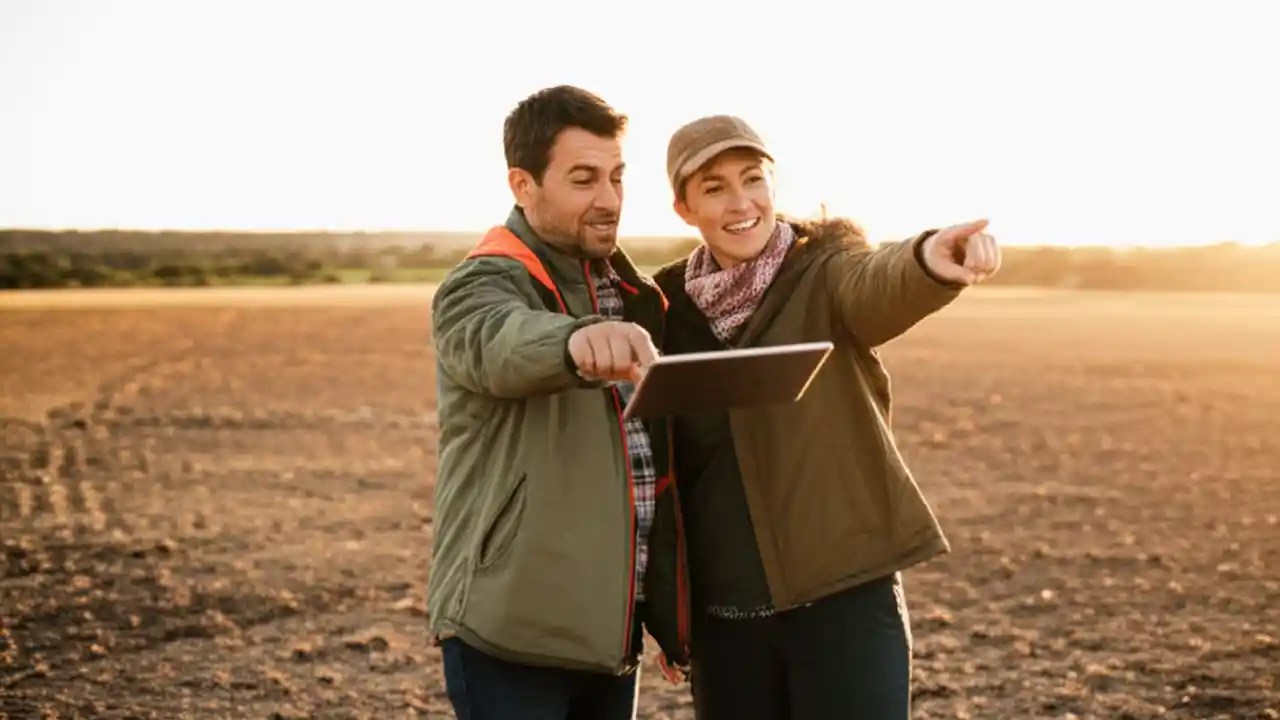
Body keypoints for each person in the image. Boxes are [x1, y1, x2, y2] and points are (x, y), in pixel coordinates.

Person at [653, 114, 1001, 719]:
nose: (741, 203)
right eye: (714, 188)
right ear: (685, 208)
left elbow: (877, 285)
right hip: (727, 621)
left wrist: (927, 261)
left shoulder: (824, 270)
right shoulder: (665, 308)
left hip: (845, 603)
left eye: (752, 179)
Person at [427, 85, 690, 719]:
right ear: (523, 184)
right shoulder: (481, 282)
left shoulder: (633, 293)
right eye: (583, 179)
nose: (608, 200)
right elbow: (497, 341)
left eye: (617, 178)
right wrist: (576, 341)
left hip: (606, 635)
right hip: (511, 636)